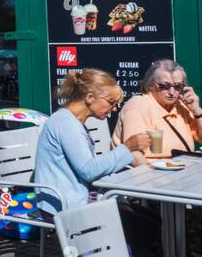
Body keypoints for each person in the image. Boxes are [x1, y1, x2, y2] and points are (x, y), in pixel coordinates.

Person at [33, 68, 151, 214]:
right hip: (65, 207)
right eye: (112, 102)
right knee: (146, 224)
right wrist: (127, 148)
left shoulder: (70, 120)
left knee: (147, 218)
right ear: (89, 98)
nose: (114, 109)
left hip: (74, 200)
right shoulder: (66, 124)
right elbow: (89, 171)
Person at [113, 59, 202, 156]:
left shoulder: (181, 106)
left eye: (178, 86)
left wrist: (197, 110)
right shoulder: (138, 106)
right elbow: (133, 153)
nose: (172, 92)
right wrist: (151, 175)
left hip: (182, 167)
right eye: (164, 86)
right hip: (150, 170)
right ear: (150, 86)